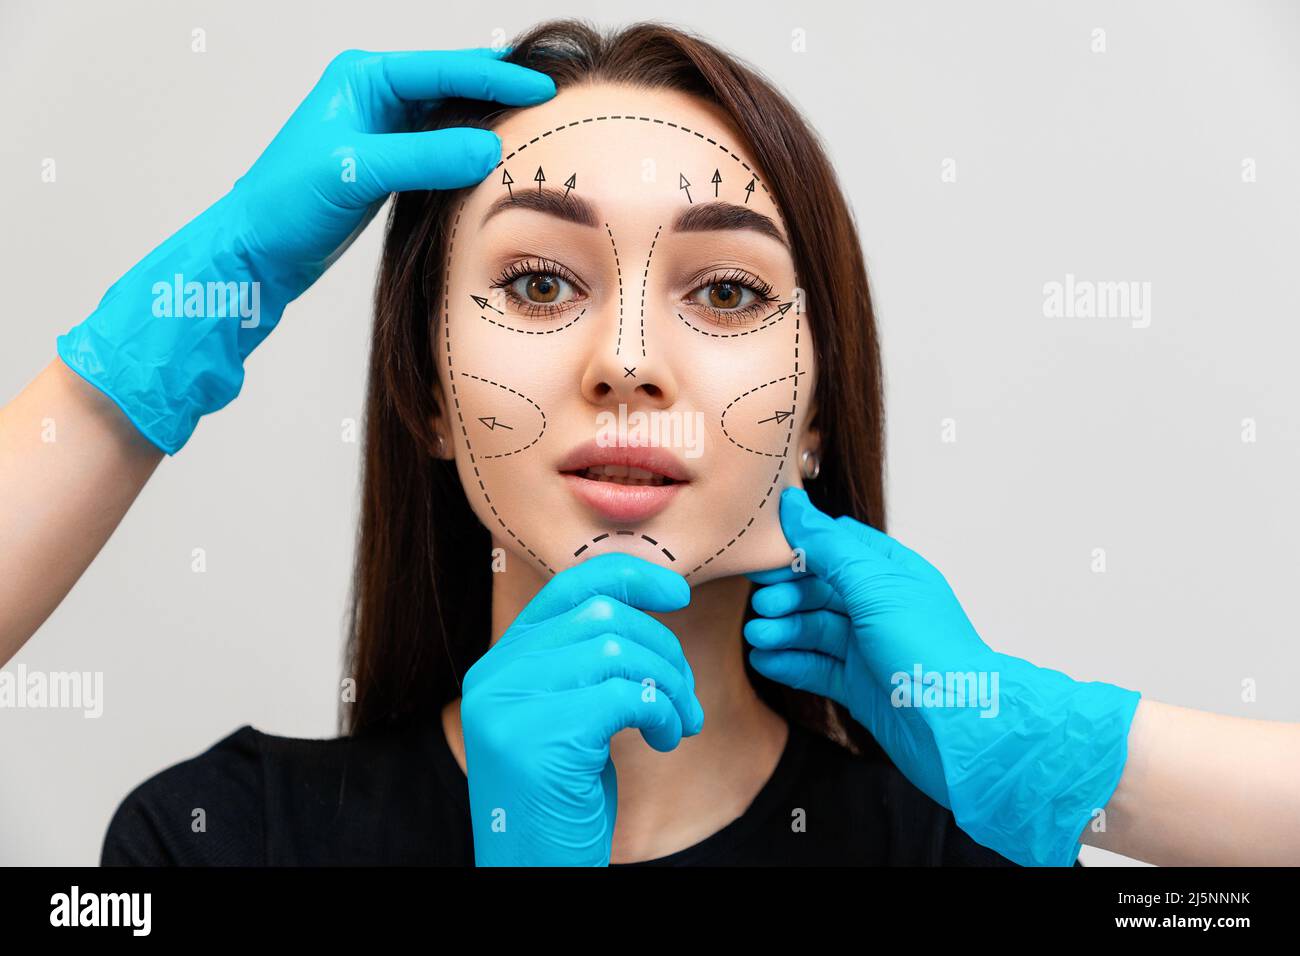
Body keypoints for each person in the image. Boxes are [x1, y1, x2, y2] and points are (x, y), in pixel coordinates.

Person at [1, 20, 1295, 867]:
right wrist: (193, 306)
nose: (627, 358)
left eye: (726, 293)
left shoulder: (952, 854)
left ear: (815, 419)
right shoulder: (215, 845)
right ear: (430, 396)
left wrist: (1069, 753)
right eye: (538, 284)